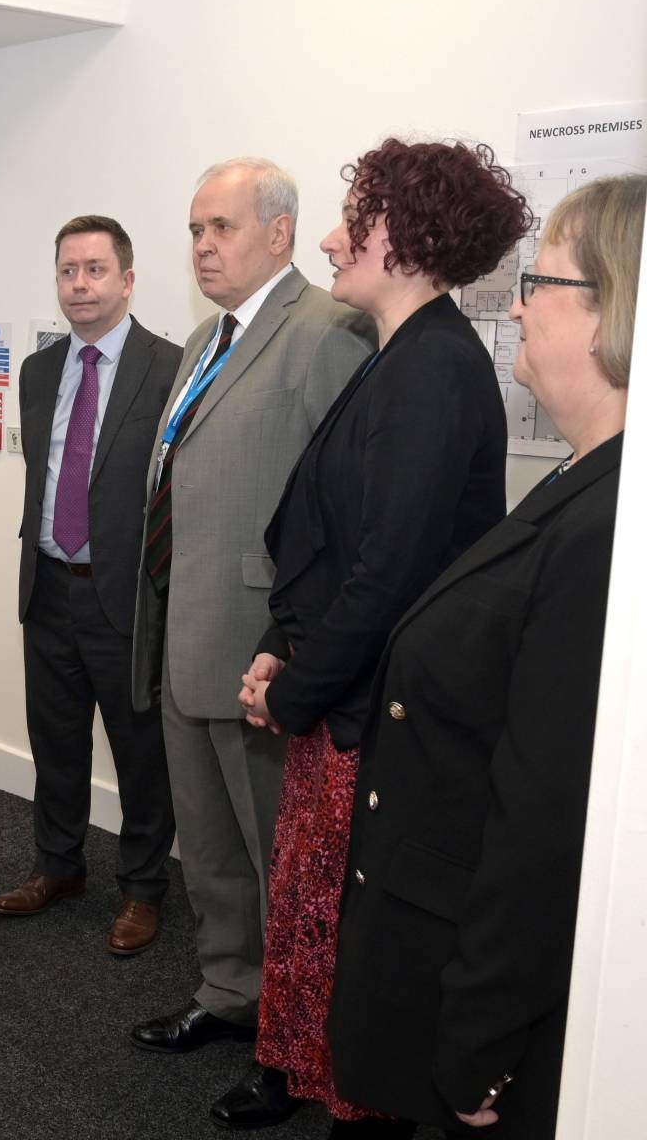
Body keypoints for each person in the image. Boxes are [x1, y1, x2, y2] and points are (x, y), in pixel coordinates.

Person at [327, 173, 644, 1140]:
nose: (514, 306)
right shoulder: (585, 478)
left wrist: (479, 1036)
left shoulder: (608, 532)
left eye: (537, 284)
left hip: (492, 1003)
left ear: (608, 312)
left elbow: (545, 823)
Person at [235, 140, 531, 1136]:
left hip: (377, 716)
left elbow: (388, 573)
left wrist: (291, 687)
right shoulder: (404, 356)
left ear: (404, 236)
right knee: (328, 940)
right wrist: (287, 644)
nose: (327, 238)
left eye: (349, 215)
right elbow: (336, 542)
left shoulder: (433, 368)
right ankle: (323, 1089)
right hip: (351, 695)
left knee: (357, 952)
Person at [126, 157, 373, 1128]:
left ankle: (290, 1037)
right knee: (214, 850)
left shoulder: (328, 334)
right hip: (185, 634)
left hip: (267, 651)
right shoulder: (201, 340)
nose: (201, 246)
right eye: (193, 229)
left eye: (220, 227)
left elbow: (345, 513)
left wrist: (302, 647)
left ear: (278, 233)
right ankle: (230, 990)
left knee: (283, 856)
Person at [0, 215, 180, 955]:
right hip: (48, 588)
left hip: (124, 594)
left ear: (128, 280)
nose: (80, 285)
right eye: (69, 271)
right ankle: (58, 866)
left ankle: (142, 889)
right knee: (57, 743)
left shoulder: (167, 366)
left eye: (96, 270)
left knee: (140, 753)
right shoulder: (40, 371)